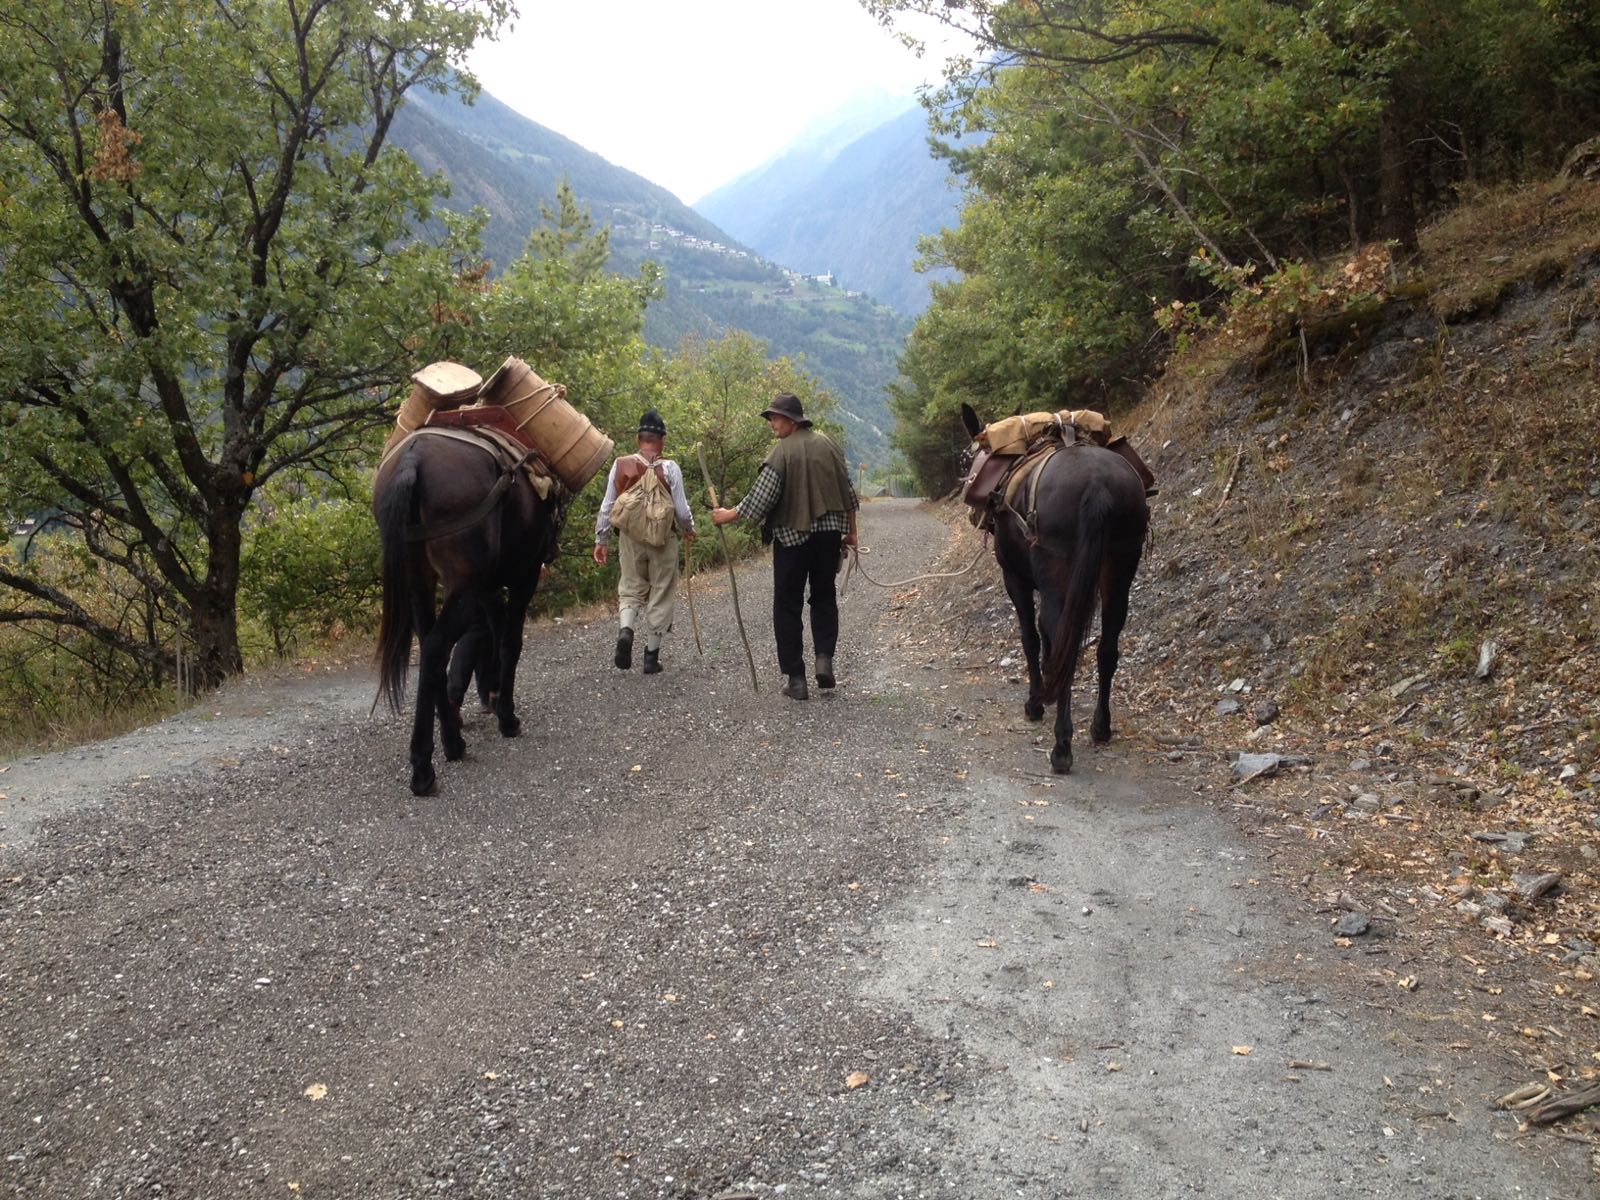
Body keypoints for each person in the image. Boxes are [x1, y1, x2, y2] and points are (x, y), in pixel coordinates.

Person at [710, 392, 858, 700]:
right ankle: (824, 661)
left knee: (787, 605)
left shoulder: (781, 453)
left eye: (774, 418)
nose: (771, 424)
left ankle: (796, 679)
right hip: (829, 537)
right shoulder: (829, 445)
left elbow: (760, 500)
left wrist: (727, 515)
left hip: (792, 539)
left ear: (791, 421)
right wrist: (851, 533)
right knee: (824, 597)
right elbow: (848, 492)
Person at [594, 409, 696, 674]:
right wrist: (688, 529)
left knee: (630, 587)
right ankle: (651, 658)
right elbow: (682, 511)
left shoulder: (621, 464)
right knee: (661, 592)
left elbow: (608, 505)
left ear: (639, 439)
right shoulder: (670, 468)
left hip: (630, 538)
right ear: (661, 441)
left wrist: (601, 539)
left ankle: (626, 630)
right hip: (663, 539)